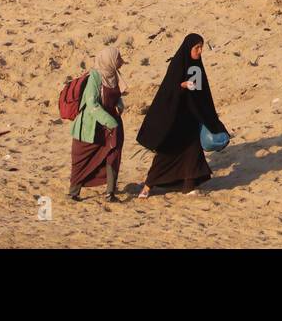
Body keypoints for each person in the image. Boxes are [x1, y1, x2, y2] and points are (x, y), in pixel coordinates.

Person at [136, 34, 228, 196]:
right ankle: (148, 186)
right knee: (165, 154)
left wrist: (207, 116)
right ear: (188, 48)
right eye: (196, 48)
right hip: (174, 119)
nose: (200, 51)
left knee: (192, 154)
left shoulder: (197, 67)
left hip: (191, 120)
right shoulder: (178, 65)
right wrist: (182, 86)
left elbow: (201, 94)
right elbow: (168, 92)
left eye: (201, 47)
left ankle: (189, 186)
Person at [68, 47, 125, 202]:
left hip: (112, 125)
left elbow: (117, 95)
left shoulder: (114, 75)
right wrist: (108, 120)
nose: (121, 61)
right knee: (82, 157)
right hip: (91, 125)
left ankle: (110, 192)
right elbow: (91, 103)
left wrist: (120, 105)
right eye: (118, 58)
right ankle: (74, 192)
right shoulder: (95, 76)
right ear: (110, 60)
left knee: (113, 154)